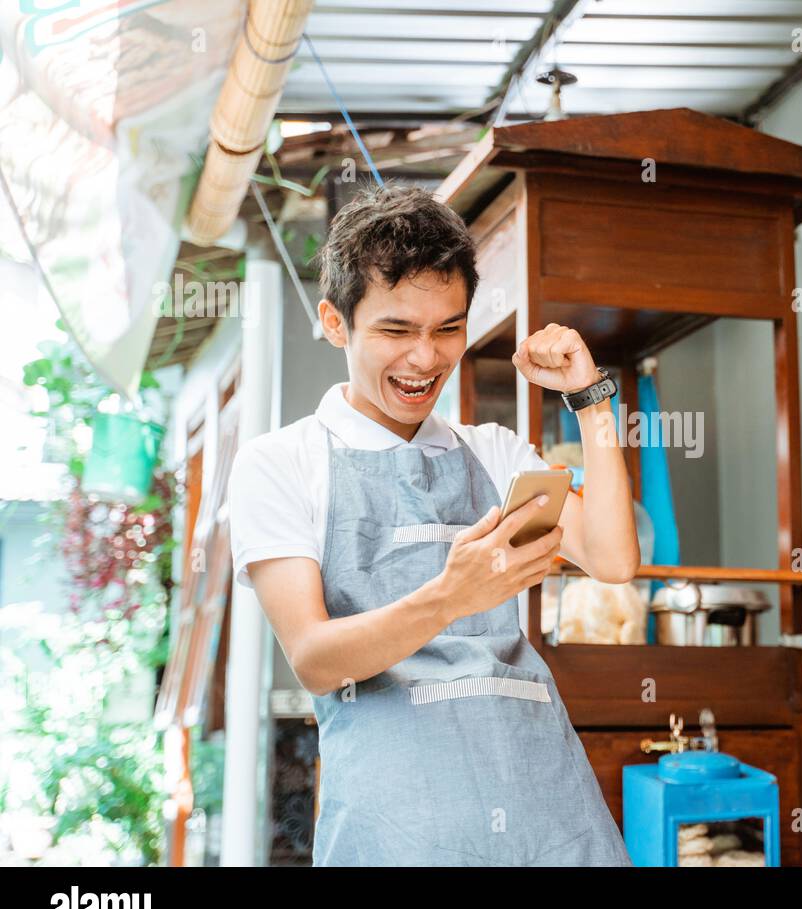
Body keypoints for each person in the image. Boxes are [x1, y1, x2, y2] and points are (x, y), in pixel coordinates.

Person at [229, 184, 640, 866]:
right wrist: (452, 597)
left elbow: (614, 559)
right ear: (336, 322)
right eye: (396, 330)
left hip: (552, 821)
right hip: (398, 836)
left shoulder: (494, 452)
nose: (425, 359)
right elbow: (315, 657)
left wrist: (590, 400)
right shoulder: (281, 464)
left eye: (447, 329)